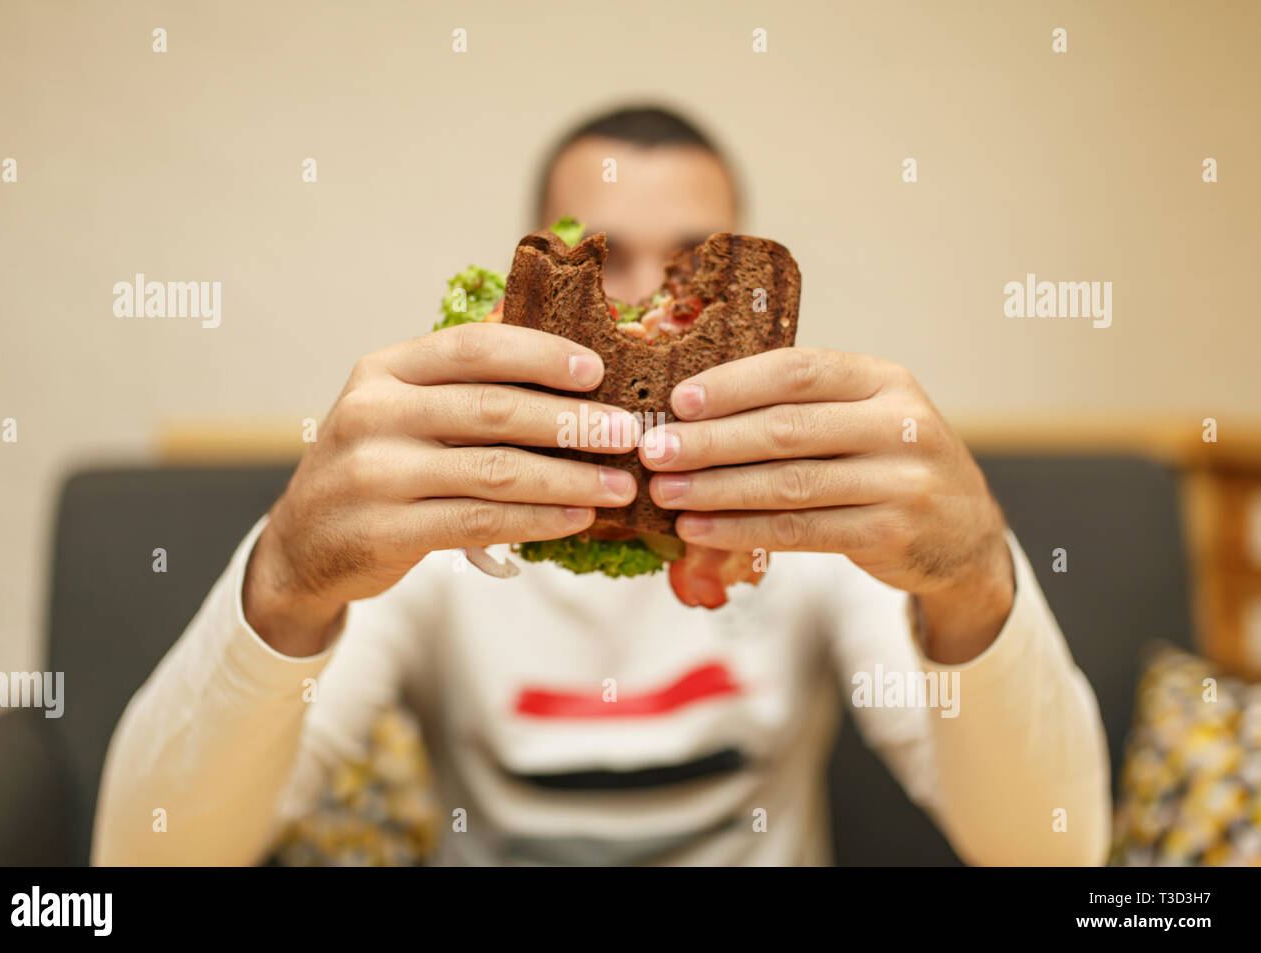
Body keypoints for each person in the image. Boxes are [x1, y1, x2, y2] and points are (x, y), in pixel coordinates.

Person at [93, 106, 1110, 866]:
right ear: (532, 284)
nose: (648, 315)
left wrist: (975, 577)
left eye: (694, 267)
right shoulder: (439, 529)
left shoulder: (806, 527)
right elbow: (149, 859)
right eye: (601, 260)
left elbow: (1050, 853)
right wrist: (282, 580)